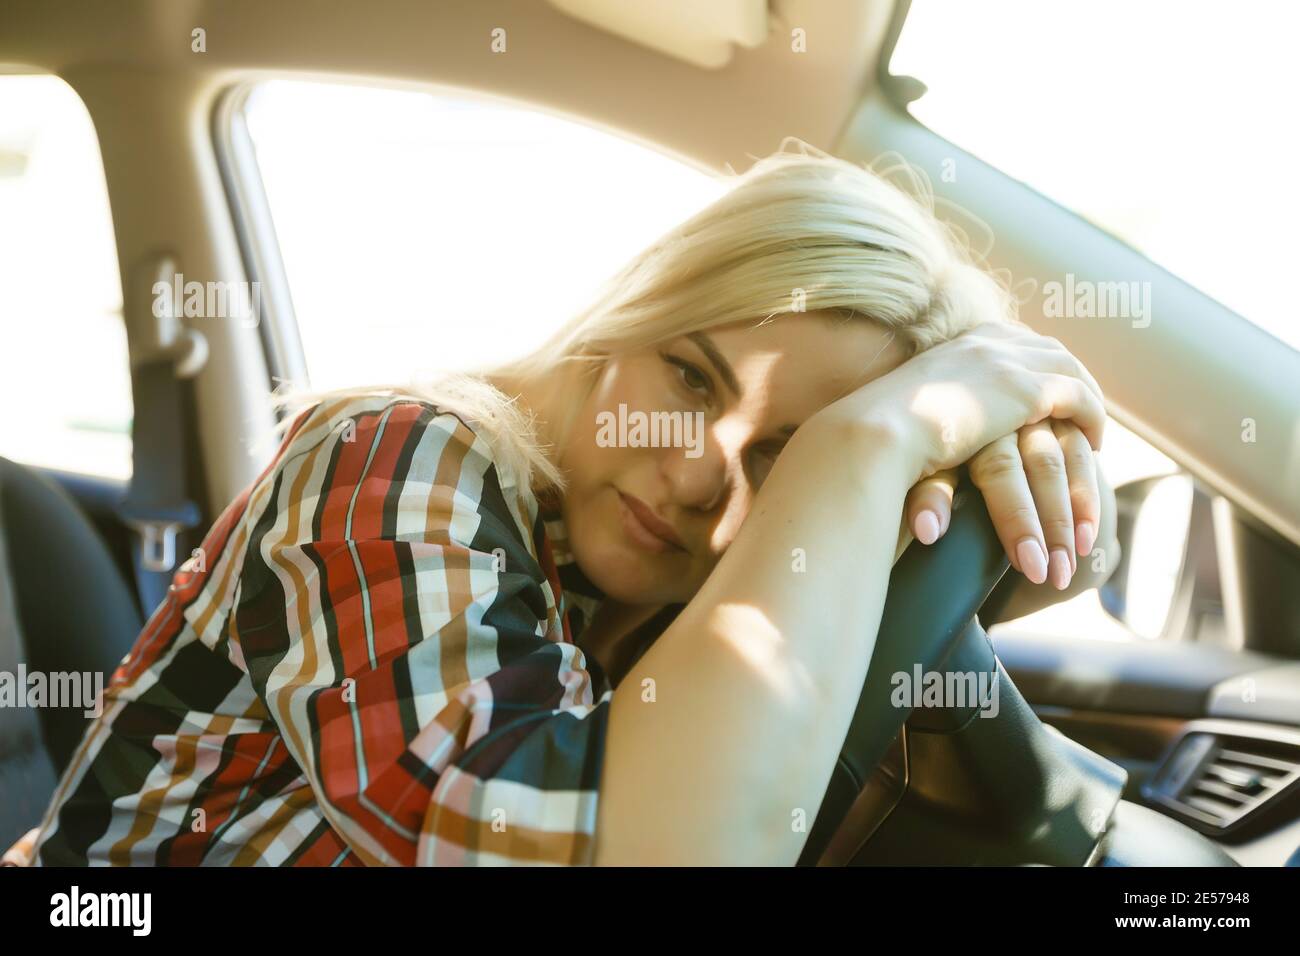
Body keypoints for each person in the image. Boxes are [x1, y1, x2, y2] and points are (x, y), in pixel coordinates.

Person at [7, 143, 1114, 866]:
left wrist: (1001, 541)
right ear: (624, 316)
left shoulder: (670, 593)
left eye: (781, 457)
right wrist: (860, 445)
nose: (691, 476)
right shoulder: (392, 461)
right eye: (689, 374)